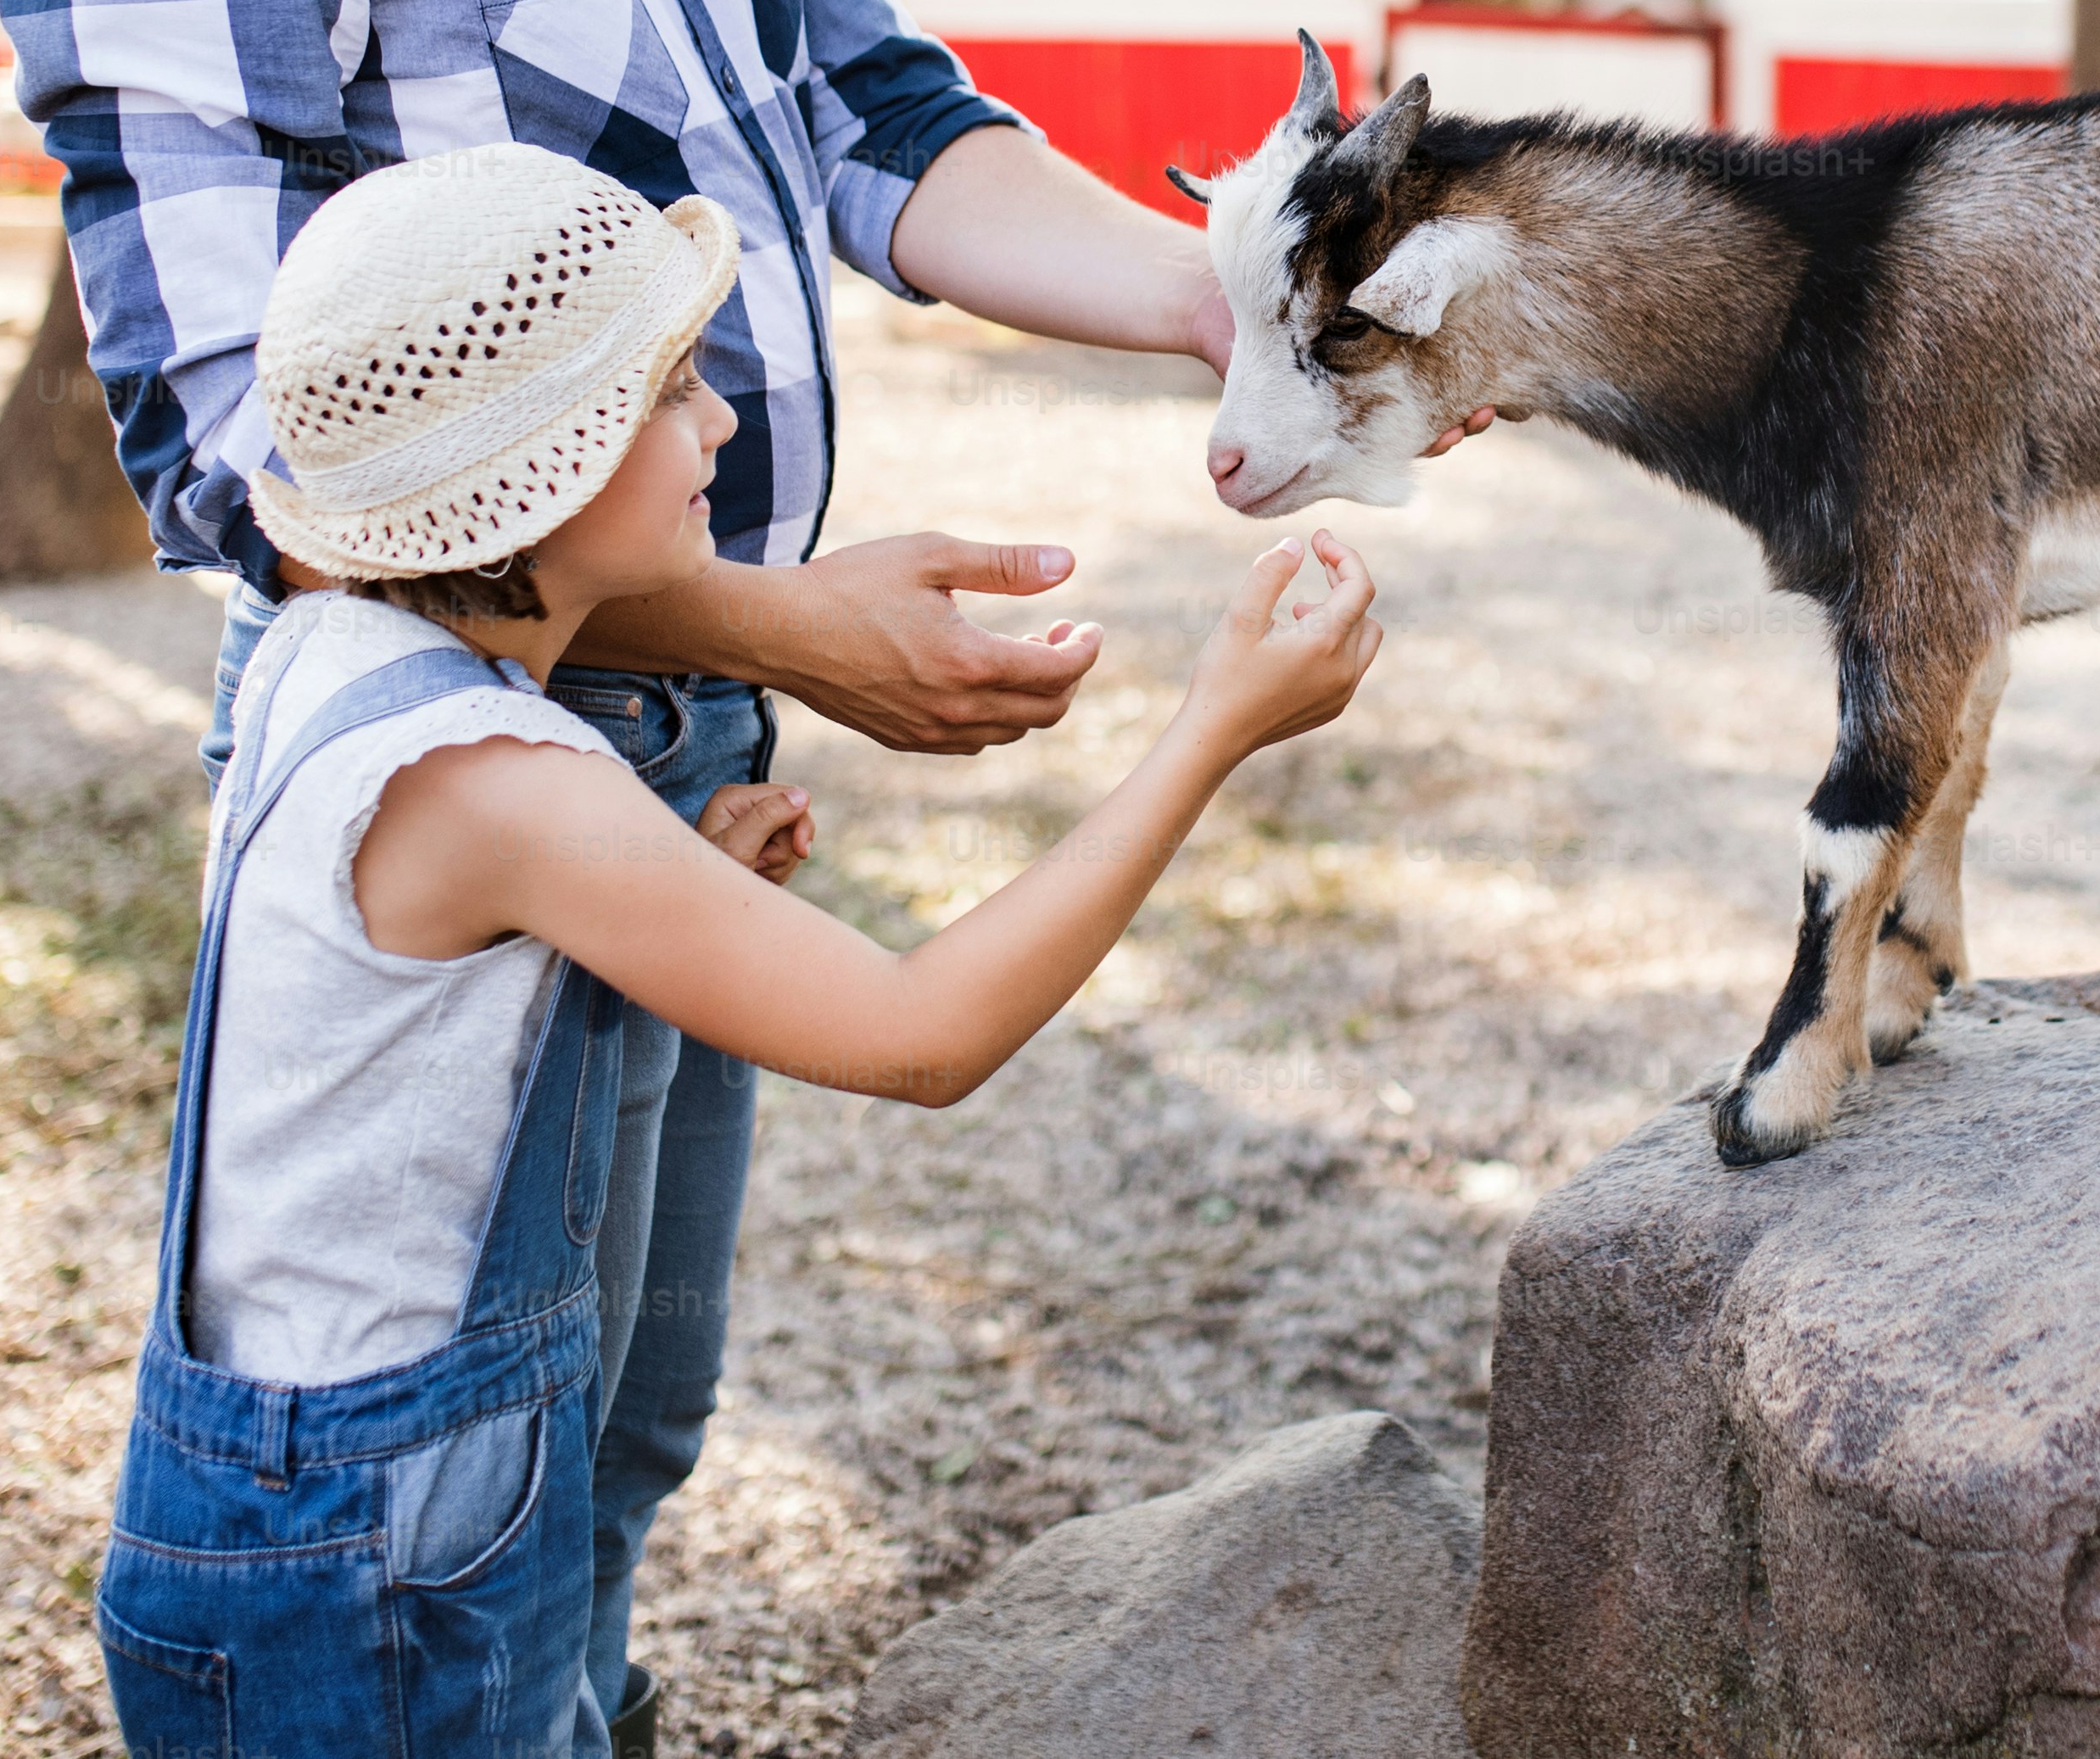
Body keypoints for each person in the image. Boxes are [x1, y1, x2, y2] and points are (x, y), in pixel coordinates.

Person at [5, 0, 1477, 1751]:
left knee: (627, 1431)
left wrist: (1219, 299)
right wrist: (780, 620)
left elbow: (863, 108)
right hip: (499, 762)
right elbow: (264, 484)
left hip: (671, 734)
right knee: (461, 1476)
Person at [92, 142, 1381, 1751]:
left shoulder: (328, 655)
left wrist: (676, 877)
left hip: (255, 1509)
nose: (717, 423)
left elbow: (415, 1016)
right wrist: (1215, 727)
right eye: (670, 390)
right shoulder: (512, 787)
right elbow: (924, 1034)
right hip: (373, 1579)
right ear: (543, 472)